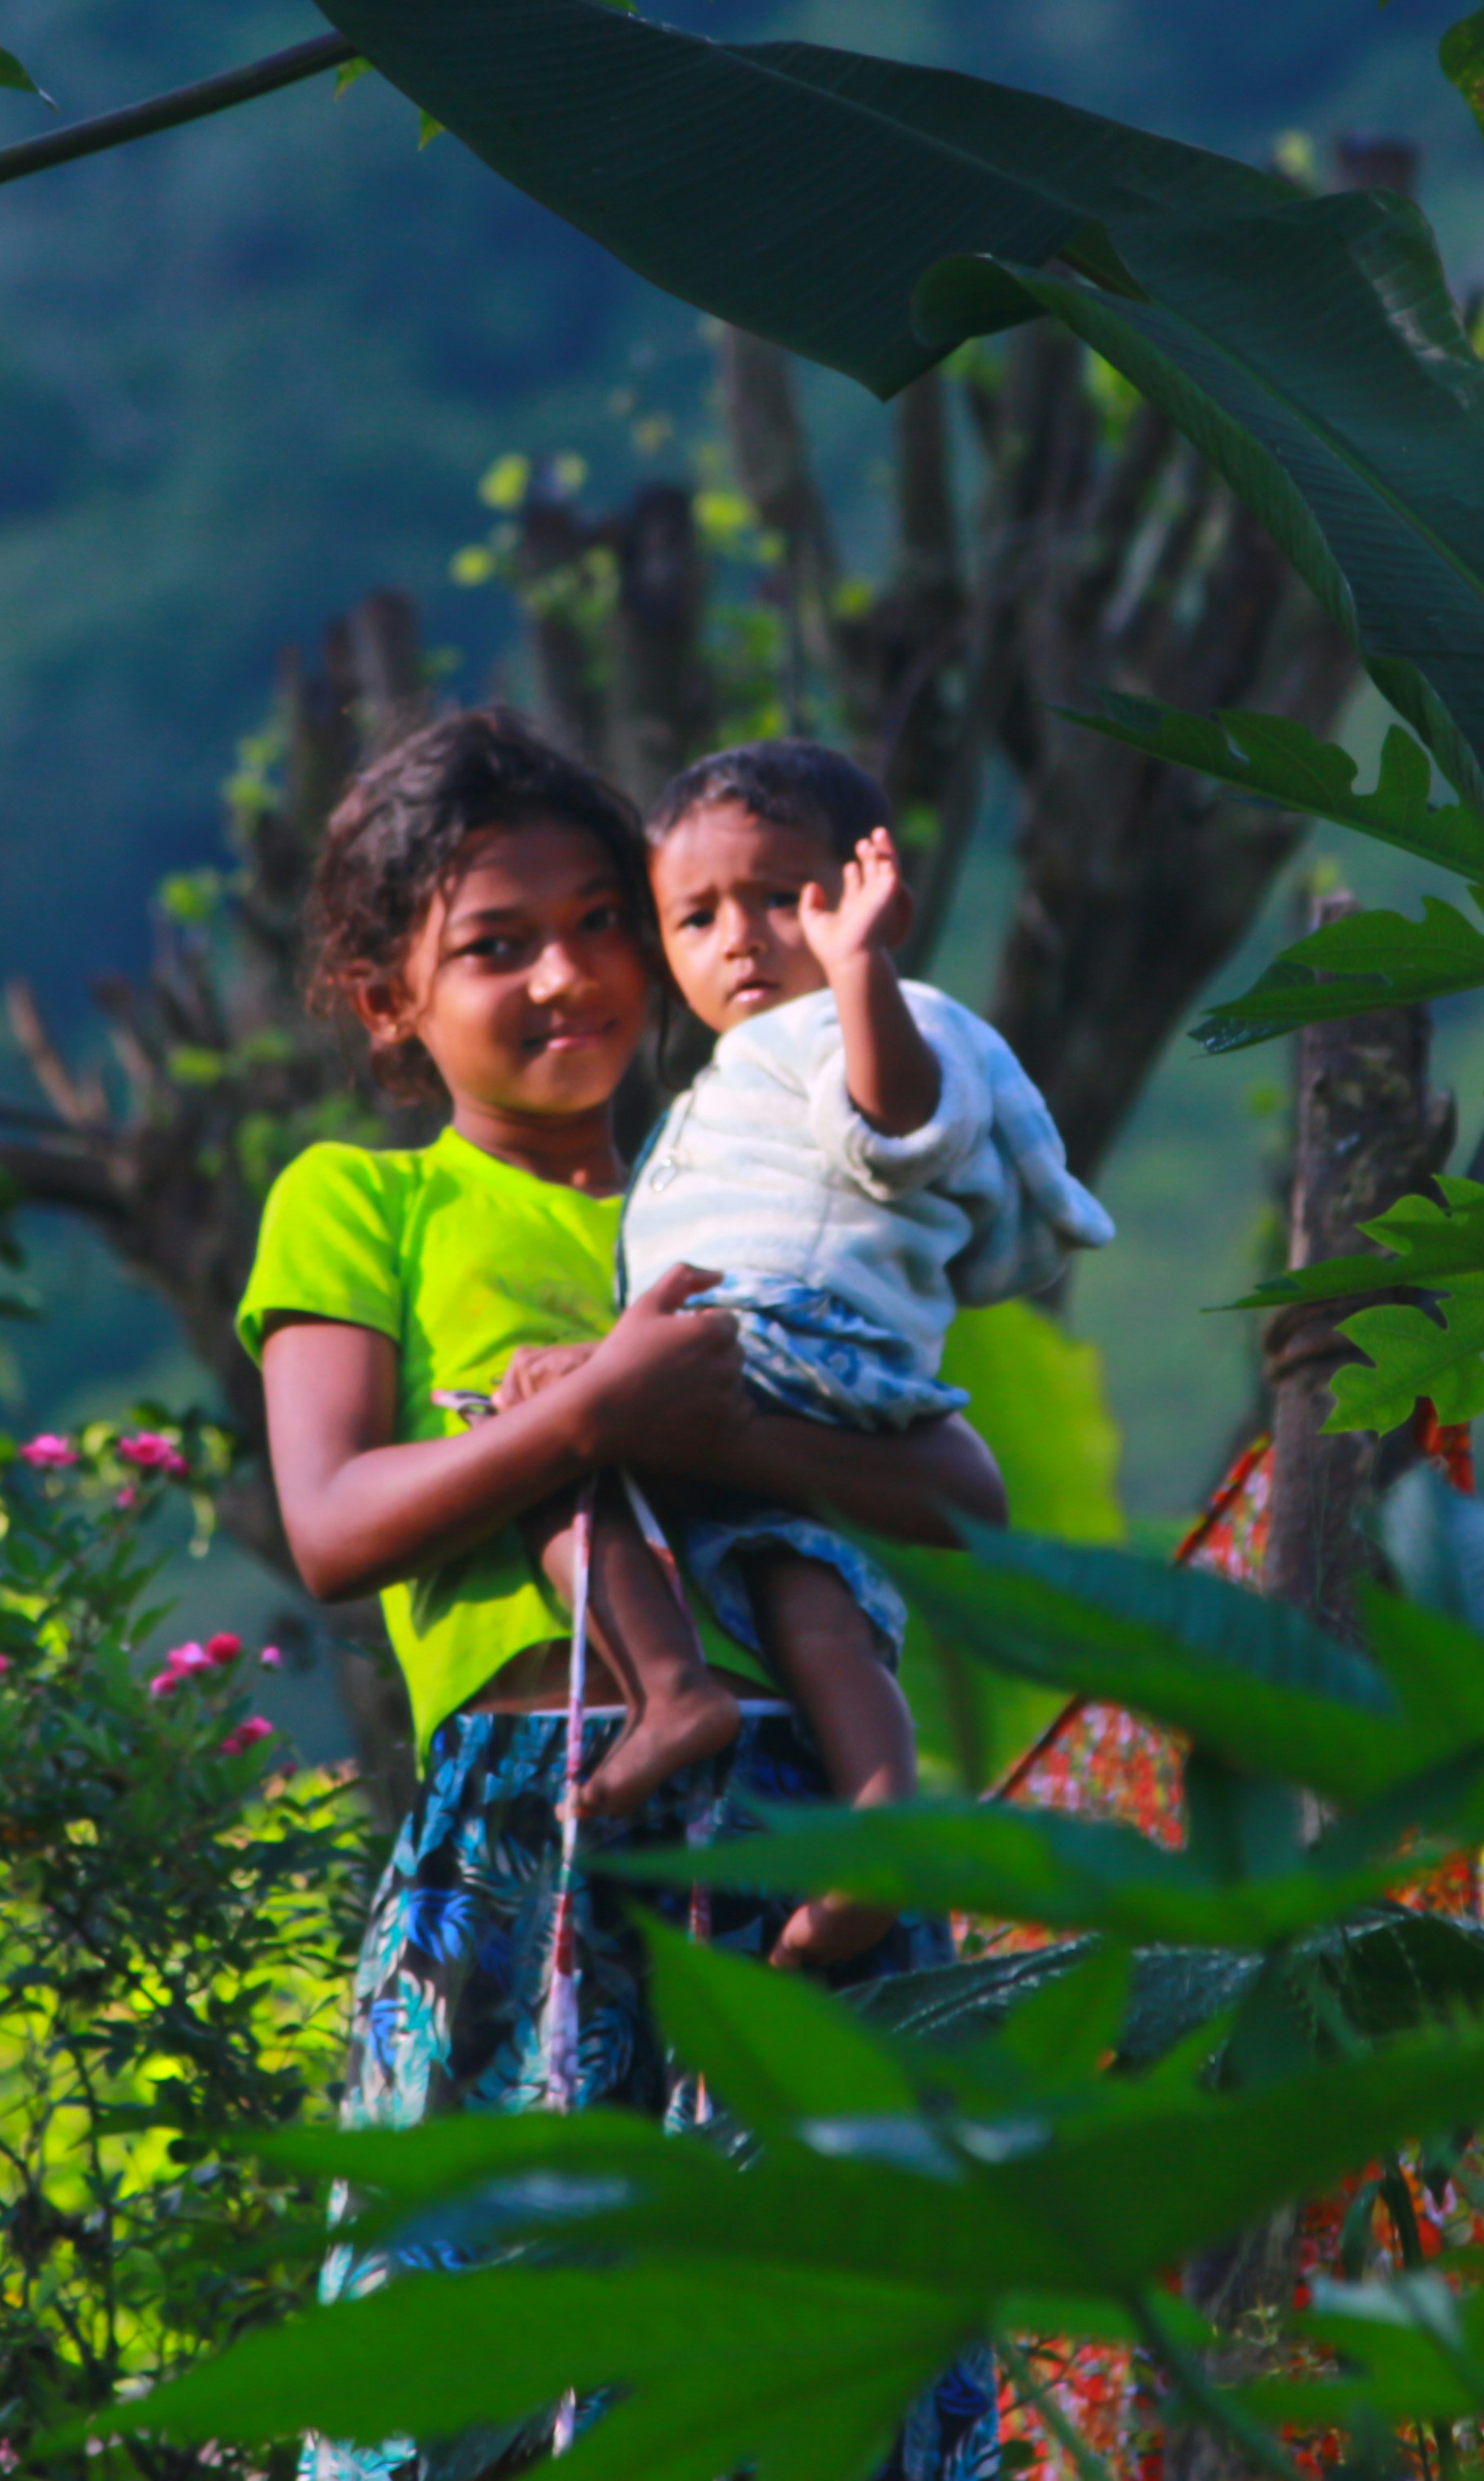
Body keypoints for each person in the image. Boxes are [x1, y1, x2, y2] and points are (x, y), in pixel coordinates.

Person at [242, 708, 1002, 2481]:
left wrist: (708, 1413)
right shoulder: (365, 1201)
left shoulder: (748, 1177)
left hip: (817, 1844)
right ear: (385, 1000)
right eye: (495, 946)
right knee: (477, 2379)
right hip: (536, 1836)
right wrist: (596, 1407)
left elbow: (962, 1494)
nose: (569, 977)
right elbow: (339, 1521)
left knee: (825, 2371)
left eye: (603, 923)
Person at [526, 740, 1114, 1960]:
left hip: (787, 1339)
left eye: (780, 899)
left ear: (859, 889)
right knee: (808, 1591)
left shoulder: (866, 1022)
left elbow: (897, 1122)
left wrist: (862, 973)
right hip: (809, 1374)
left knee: (539, 1454)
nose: (738, 938)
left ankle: (669, 1685)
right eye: (695, 917)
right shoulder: (731, 1075)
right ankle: (880, 1821)